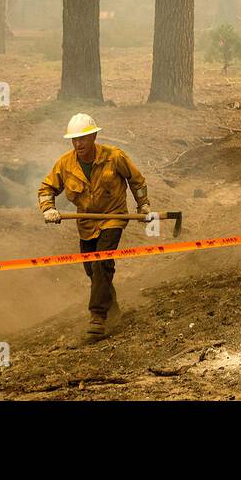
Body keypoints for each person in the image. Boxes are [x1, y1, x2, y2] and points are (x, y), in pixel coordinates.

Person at [38, 113, 152, 343]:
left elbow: (136, 180)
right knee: (92, 269)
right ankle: (113, 309)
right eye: (74, 140)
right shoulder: (65, 164)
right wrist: (48, 208)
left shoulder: (114, 157)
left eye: (83, 139)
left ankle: (97, 317)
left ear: (93, 136)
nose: (78, 144)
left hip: (113, 216)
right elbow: (46, 188)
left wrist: (144, 205)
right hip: (87, 223)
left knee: (102, 262)